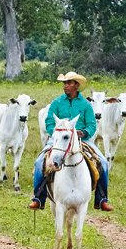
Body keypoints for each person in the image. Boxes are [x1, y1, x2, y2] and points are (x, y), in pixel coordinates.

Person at [29, 70, 113, 211]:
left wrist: (84, 132)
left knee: (103, 163)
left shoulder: (86, 105)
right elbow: (49, 122)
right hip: (59, 141)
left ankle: (102, 199)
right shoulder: (56, 103)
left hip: (82, 141)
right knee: (39, 162)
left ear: (76, 85)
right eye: (64, 83)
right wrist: (56, 133)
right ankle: (38, 198)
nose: (65, 86)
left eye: (69, 83)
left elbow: (92, 124)